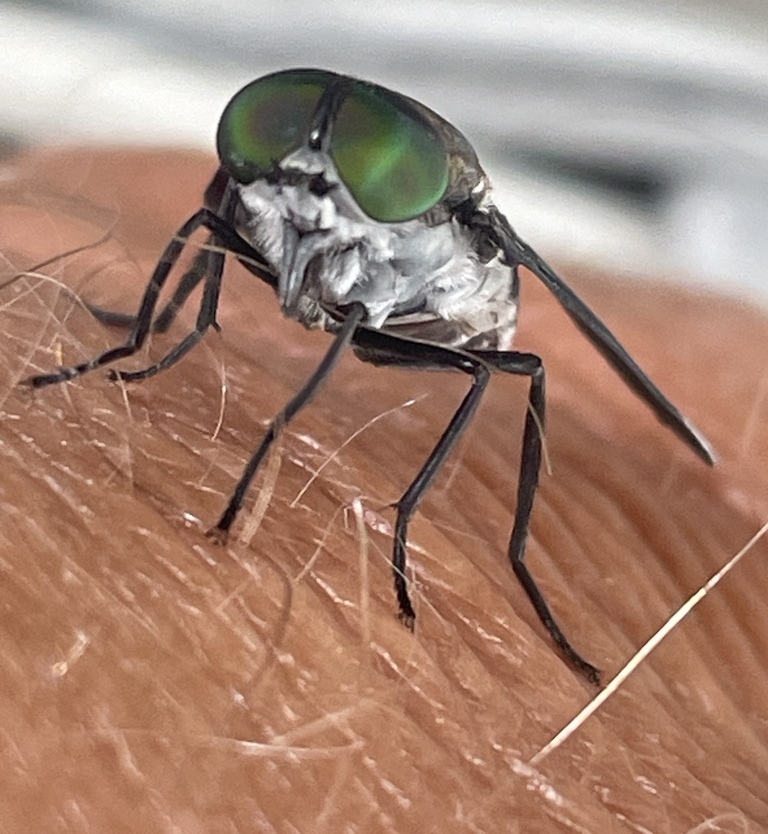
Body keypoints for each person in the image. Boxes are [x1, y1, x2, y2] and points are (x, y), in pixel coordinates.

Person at [2, 146, 766, 831]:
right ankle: (152, 337)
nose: (312, 180)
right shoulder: (295, 201)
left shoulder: (446, 223)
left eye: (352, 167)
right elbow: (222, 215)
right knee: (216, 210)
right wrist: (152, 333)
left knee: (515, 374)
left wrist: (317, 462)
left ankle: (493, 551)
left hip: (429, 307)